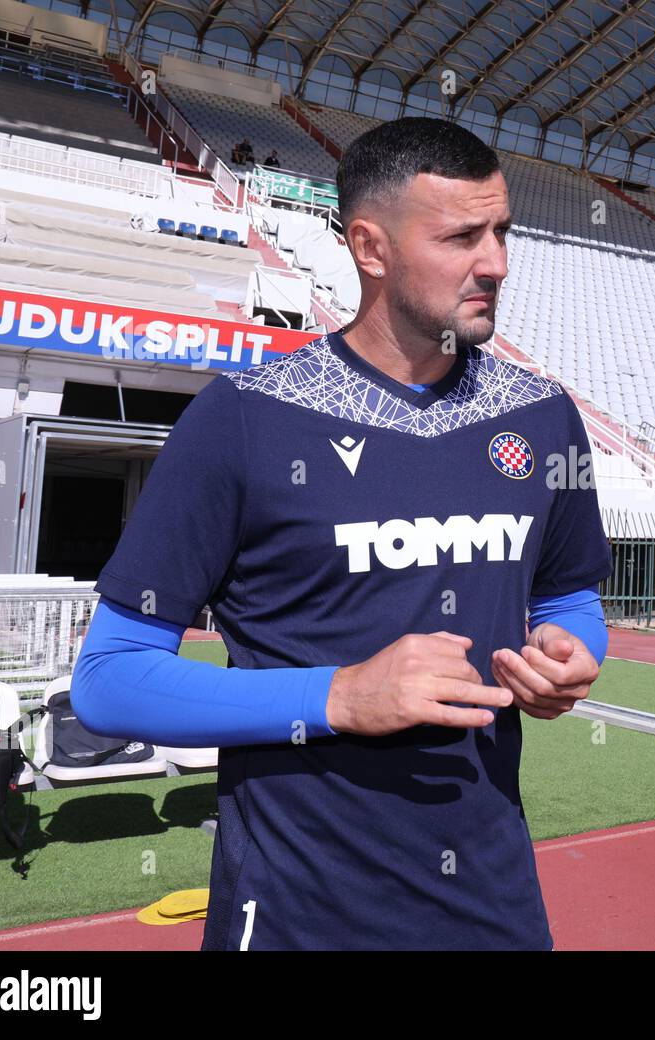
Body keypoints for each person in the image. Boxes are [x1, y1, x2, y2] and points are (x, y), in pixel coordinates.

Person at [70, 116, 613, 950]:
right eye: (462, 236)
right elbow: (109, 681)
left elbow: (567, 592)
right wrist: (336, 697)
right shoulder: (245, 418)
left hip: (493, 904)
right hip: (296, 914)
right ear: (370, 247)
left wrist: (571, 654)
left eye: (503, 231)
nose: (496, 263)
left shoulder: (540, 418)